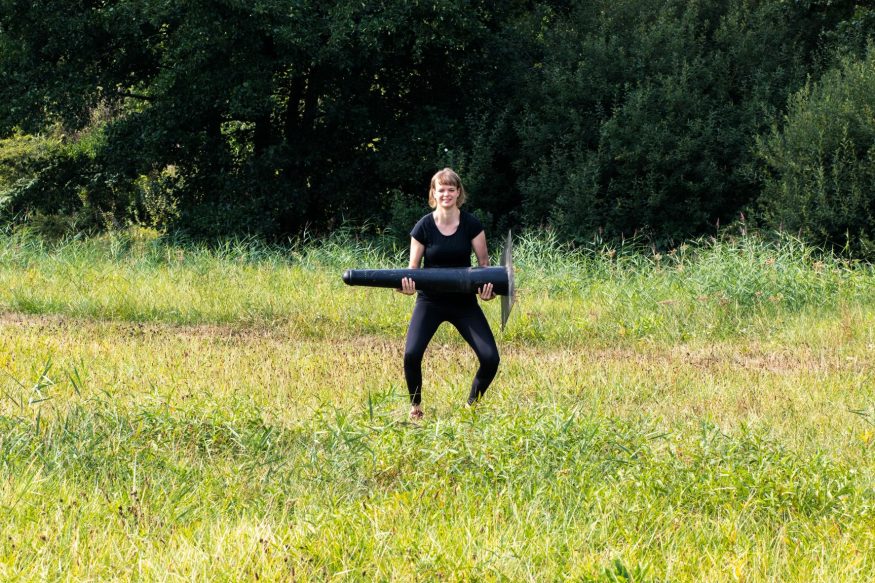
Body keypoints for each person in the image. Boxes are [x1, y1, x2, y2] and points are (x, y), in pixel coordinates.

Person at [396, 168, 500, 420]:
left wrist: (489, 293)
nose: (446, 194)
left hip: (463, 302)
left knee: (490, 358)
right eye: (441, 189)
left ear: (458, 192)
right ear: (433, 193)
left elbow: (485, 268)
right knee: (411, 354)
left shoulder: (472, 225)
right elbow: (413, 270)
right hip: (430, 301)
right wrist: (406, 288)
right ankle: (416, 407)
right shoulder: (423, 226)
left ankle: (470, 407)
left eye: (451, 189)